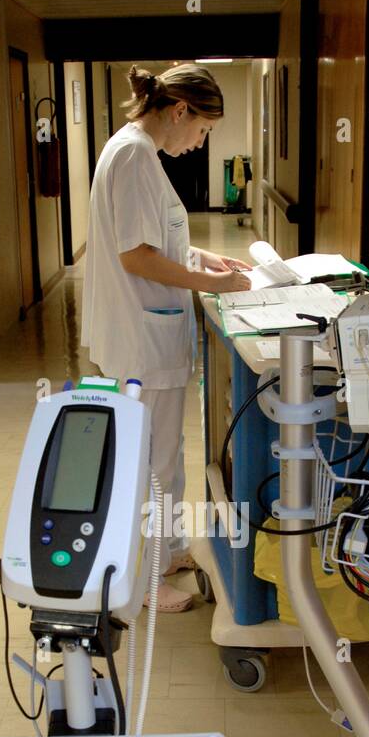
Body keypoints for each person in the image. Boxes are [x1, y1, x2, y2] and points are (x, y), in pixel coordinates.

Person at [81, 63, 251, 611]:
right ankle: (144, 583)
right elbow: (136, 256)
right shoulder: (132, 155)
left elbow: (162, 242)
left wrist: (207, 258)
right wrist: (209, 282)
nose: (200, 143)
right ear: (179, 111)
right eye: (201, 130)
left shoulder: (139, 154)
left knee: (165, 457)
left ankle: (169, 548)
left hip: (148, 337)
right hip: (140, 342)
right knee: (150, 463)